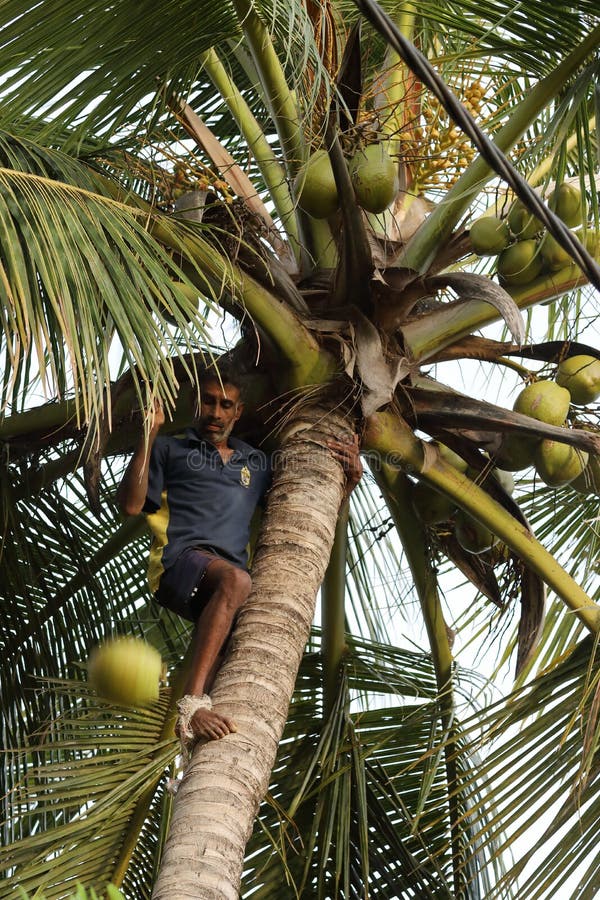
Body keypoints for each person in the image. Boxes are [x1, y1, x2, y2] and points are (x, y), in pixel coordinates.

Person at [118, 367, 362, 753]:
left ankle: (193, 747)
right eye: (209, 402)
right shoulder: (170, 448)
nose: (215, 412)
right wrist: (149, 433)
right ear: (197, 404)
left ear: (238, 411)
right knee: (238, 582)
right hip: (179, 563)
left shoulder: (256, 463)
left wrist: (347, 480)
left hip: (222, 581)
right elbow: (132, 504)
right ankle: (192, 705)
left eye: (225, 405)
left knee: (234, 640)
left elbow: (302, 512)